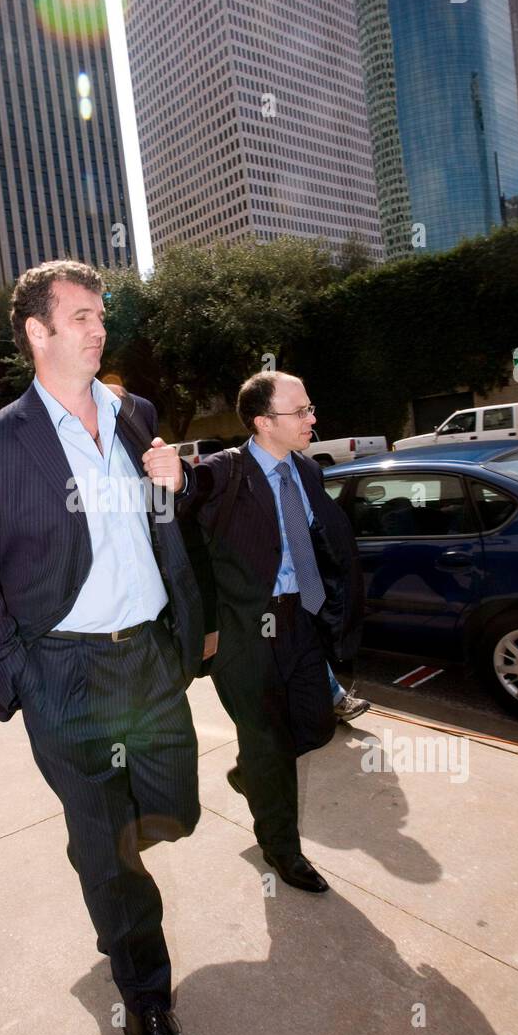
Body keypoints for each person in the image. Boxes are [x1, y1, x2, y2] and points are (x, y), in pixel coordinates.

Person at [0, 259, 206, 1035]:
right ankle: (150, 1010)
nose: (98, 329)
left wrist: (177, 488)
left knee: (174, 810)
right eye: (82, 316)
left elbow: (162, 519)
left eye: (101, 316)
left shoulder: (135, 415)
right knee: (116, 853)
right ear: (38, 332)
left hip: (153, 663)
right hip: (67, 674)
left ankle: (100, 857)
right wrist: (14, 674)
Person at [145, 370, 364, 895]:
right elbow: (193, 487)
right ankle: (282, 849)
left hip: (301, 622)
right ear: (264, 422)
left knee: (314, 726)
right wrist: (176, 477)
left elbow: (325, 543)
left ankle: (249, 773)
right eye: (301, 412)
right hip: (246, 633)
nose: (312, 418)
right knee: (269, 741)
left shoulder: (307, 472)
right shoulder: (228, 470)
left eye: (310, 408)